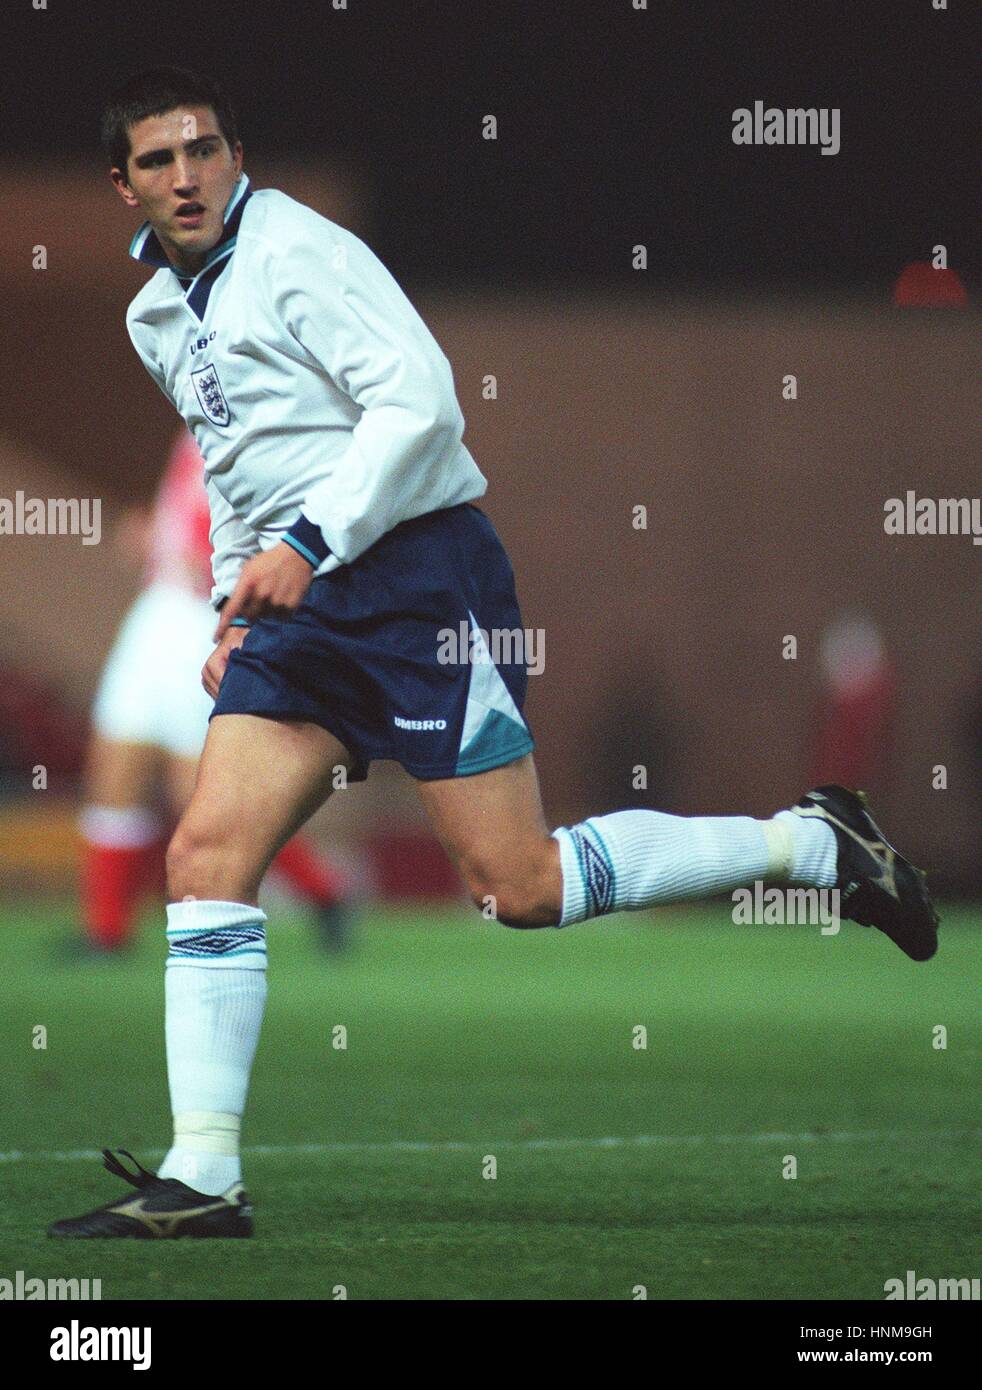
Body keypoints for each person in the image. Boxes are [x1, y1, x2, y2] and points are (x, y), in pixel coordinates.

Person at [48, 67, 937, 1240]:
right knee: (205, 857)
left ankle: (814, 841)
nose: (187, 173)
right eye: (158, 160)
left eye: (203, 149)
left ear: (233, 152)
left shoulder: (299, 251)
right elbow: (231, 465)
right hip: (301, 609)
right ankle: (203, 1175)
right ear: (124, 185)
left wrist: (310, 543)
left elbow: (421, 404)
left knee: (519, 887)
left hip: (415, 578)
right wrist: (232, 603)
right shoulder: (153, 311)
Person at [74, 427, 353, 959]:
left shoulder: (263, 424)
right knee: (114, 764)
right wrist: (154, 537)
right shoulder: (193, 418)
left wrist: (195, 561)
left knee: (197, 793)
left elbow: (254, 535)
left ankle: (323, 893)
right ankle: (106, 933)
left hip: (203, 618)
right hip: (156, 608)